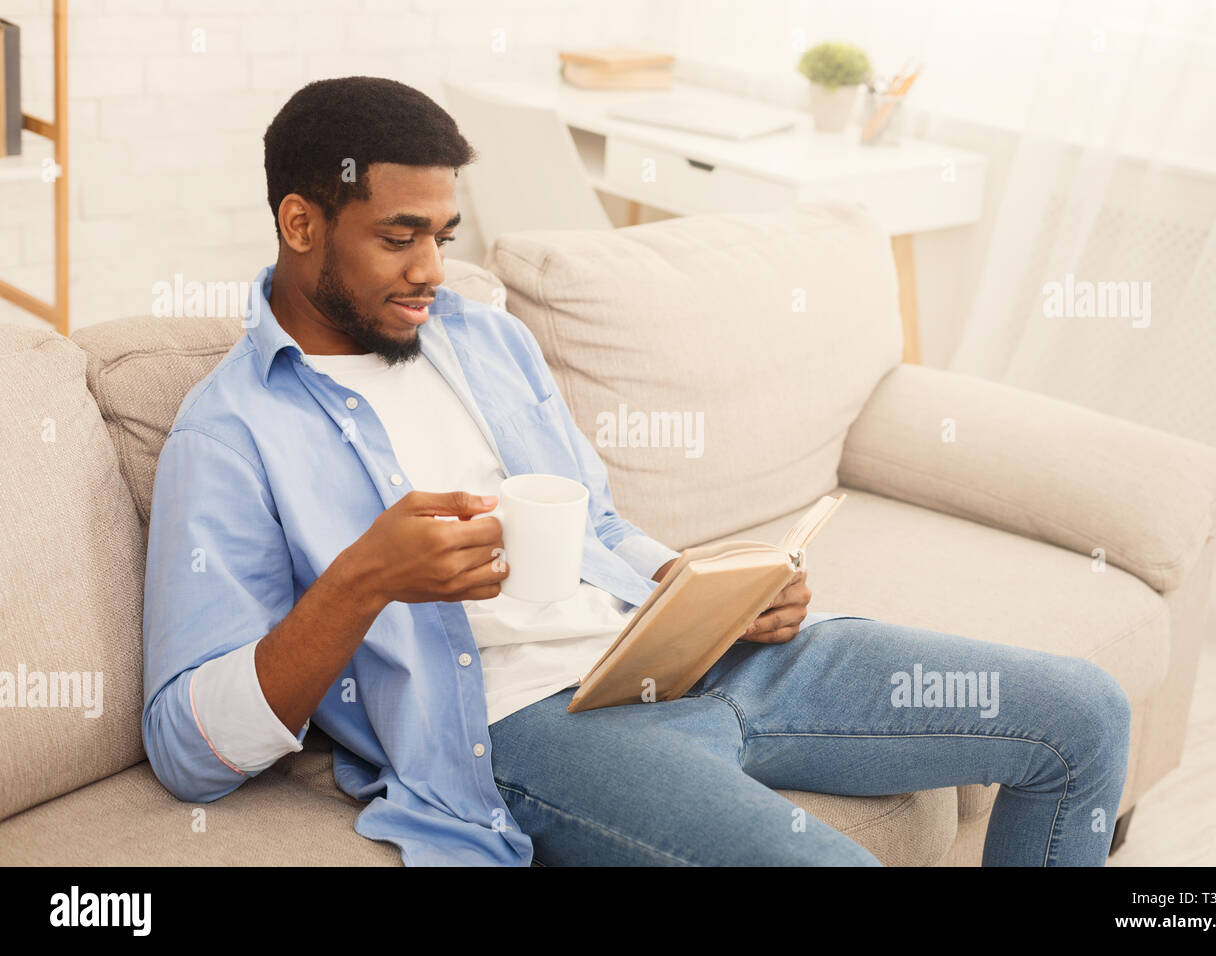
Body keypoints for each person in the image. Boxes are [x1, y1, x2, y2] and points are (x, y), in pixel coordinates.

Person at [142, 76, 1131, 866]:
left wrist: (699, 589)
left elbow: (600, 528)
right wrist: (364, 577)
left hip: (685, 654)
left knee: (1082, 712)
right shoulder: (229, 433)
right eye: (398, 236)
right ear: (302, 223)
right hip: (538, 724)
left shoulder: (485, 337)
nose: (434, 270)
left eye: (442, 236)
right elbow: (188, 748)